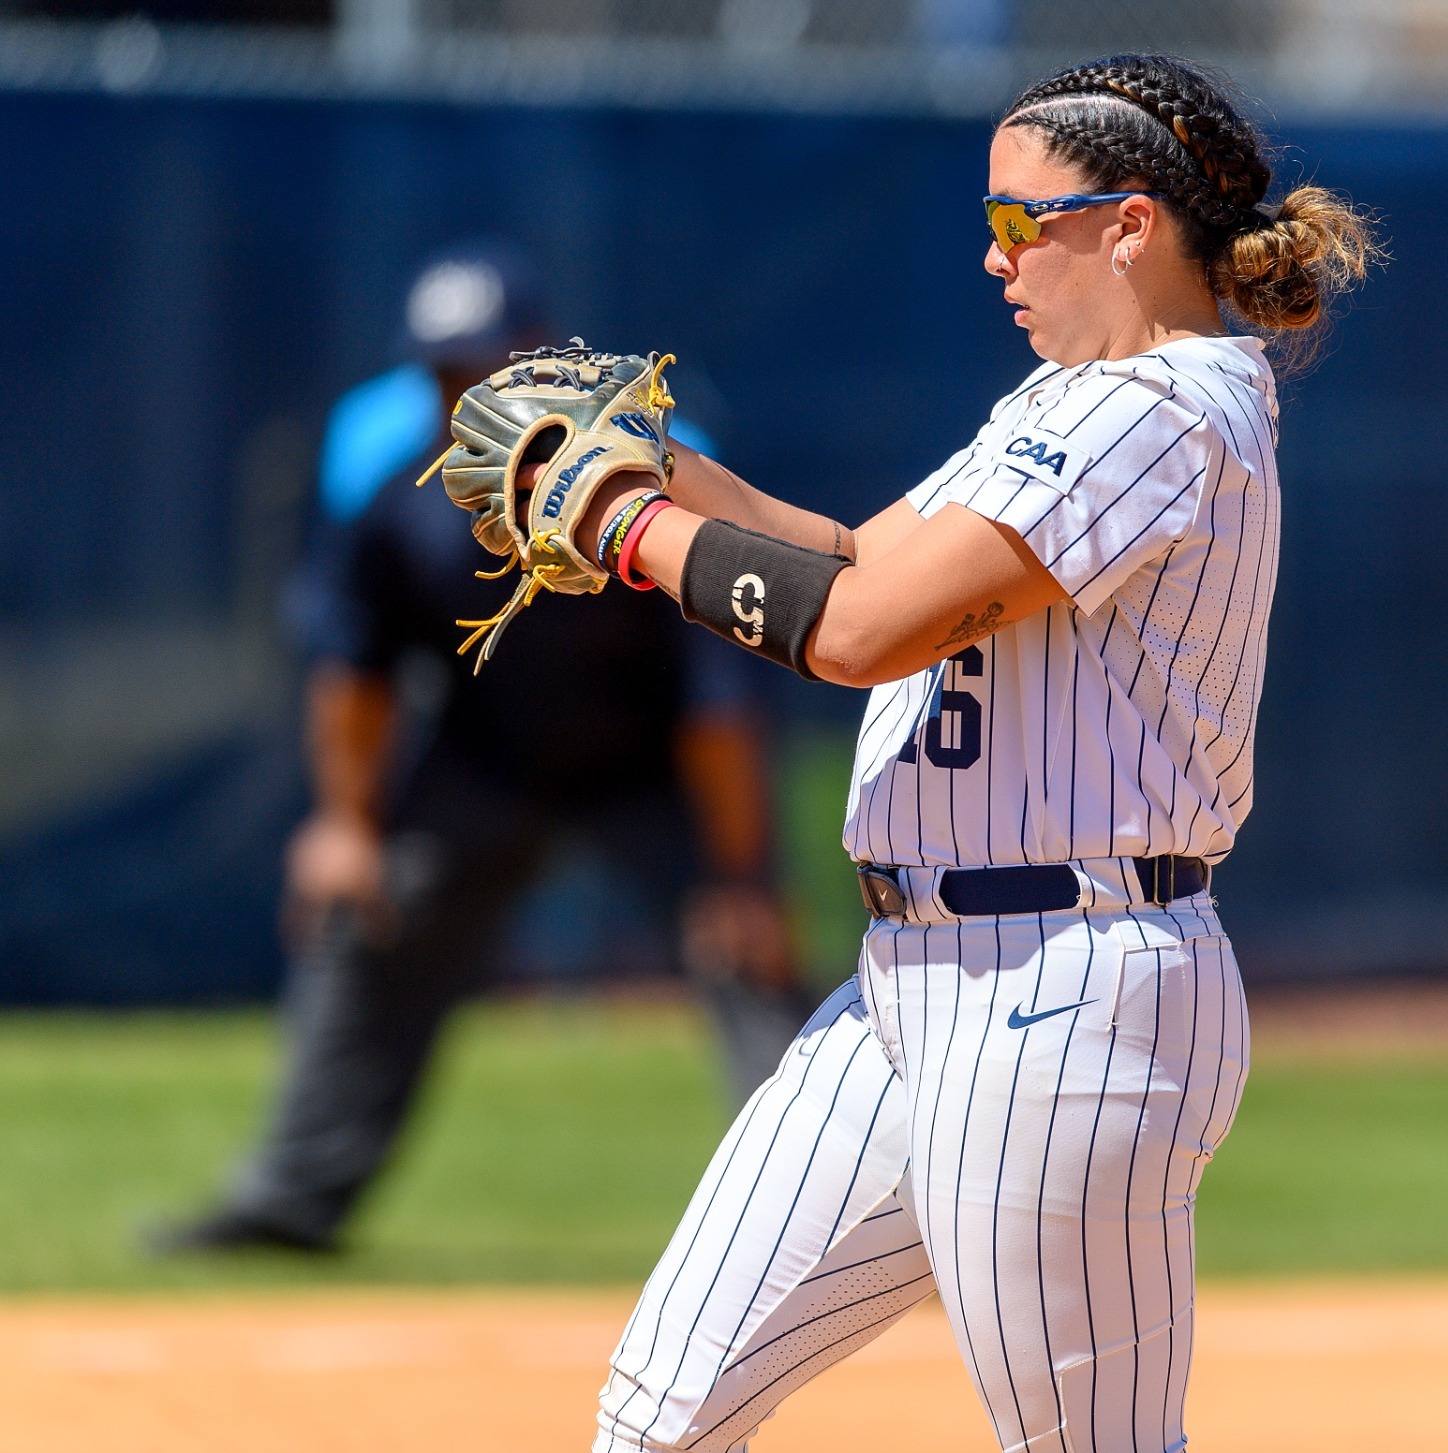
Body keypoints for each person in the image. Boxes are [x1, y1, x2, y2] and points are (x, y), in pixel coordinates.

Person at [471, 54, 1376, 1451]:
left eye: (1025, 219)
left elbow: (860, 630)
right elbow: (849, 552)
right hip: (907, 989)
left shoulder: (1164, 407)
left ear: (1131, 225)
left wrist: (625, 533)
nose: (994, 254)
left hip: (1070, 991)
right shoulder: (1063, 400)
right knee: (659, 1413)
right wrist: (650, 463)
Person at [155, 242, 806, 1256]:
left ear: (544, 360)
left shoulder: (651, 463)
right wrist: (343, 823)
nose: (470, 392)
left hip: (651, 765)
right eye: (448, 373)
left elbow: (716, 692)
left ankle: (832, 1216)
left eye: (492, 368)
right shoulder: (389, 475)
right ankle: (289, 1201)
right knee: (368, 912)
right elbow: (353, 666)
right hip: (482, 758)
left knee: (746, 949)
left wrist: (740, 872)